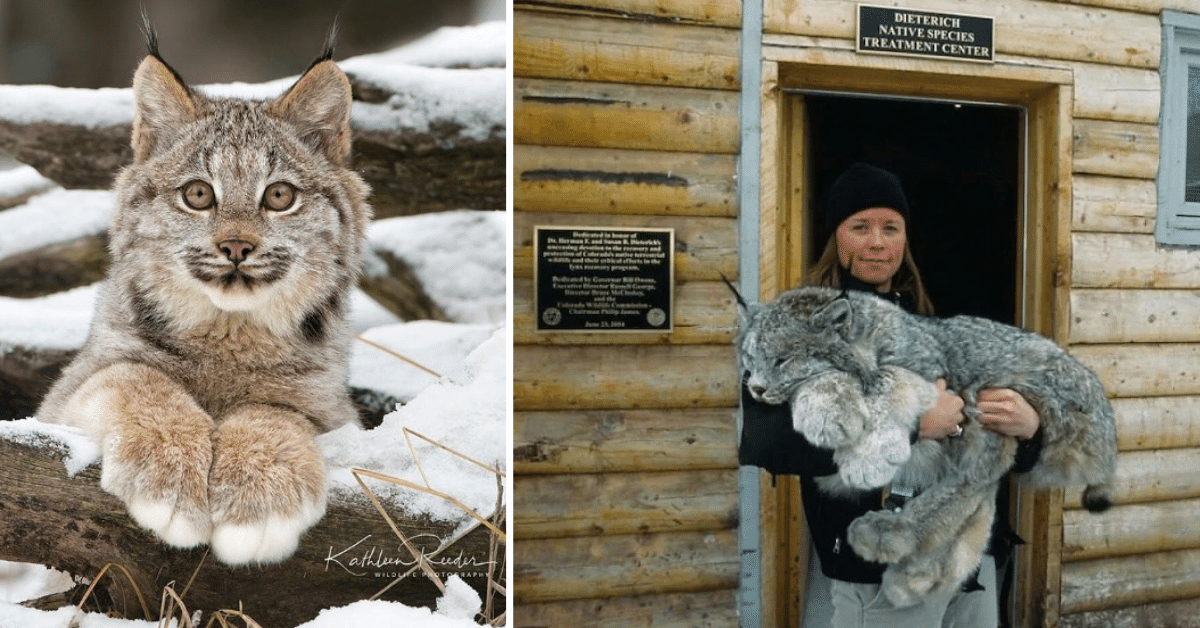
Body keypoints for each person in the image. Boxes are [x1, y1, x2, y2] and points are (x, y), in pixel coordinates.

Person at [739, 162, 1044, 627]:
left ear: (905, 238)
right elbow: (768, 441)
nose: (877, 242)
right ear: (836, 237)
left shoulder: (933, 322)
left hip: (967, 560)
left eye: (890, 227)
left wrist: (1030, 430)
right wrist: (915, 425)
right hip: (882, 571)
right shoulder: (796, 329)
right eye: (859, 227)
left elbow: (984, 432)